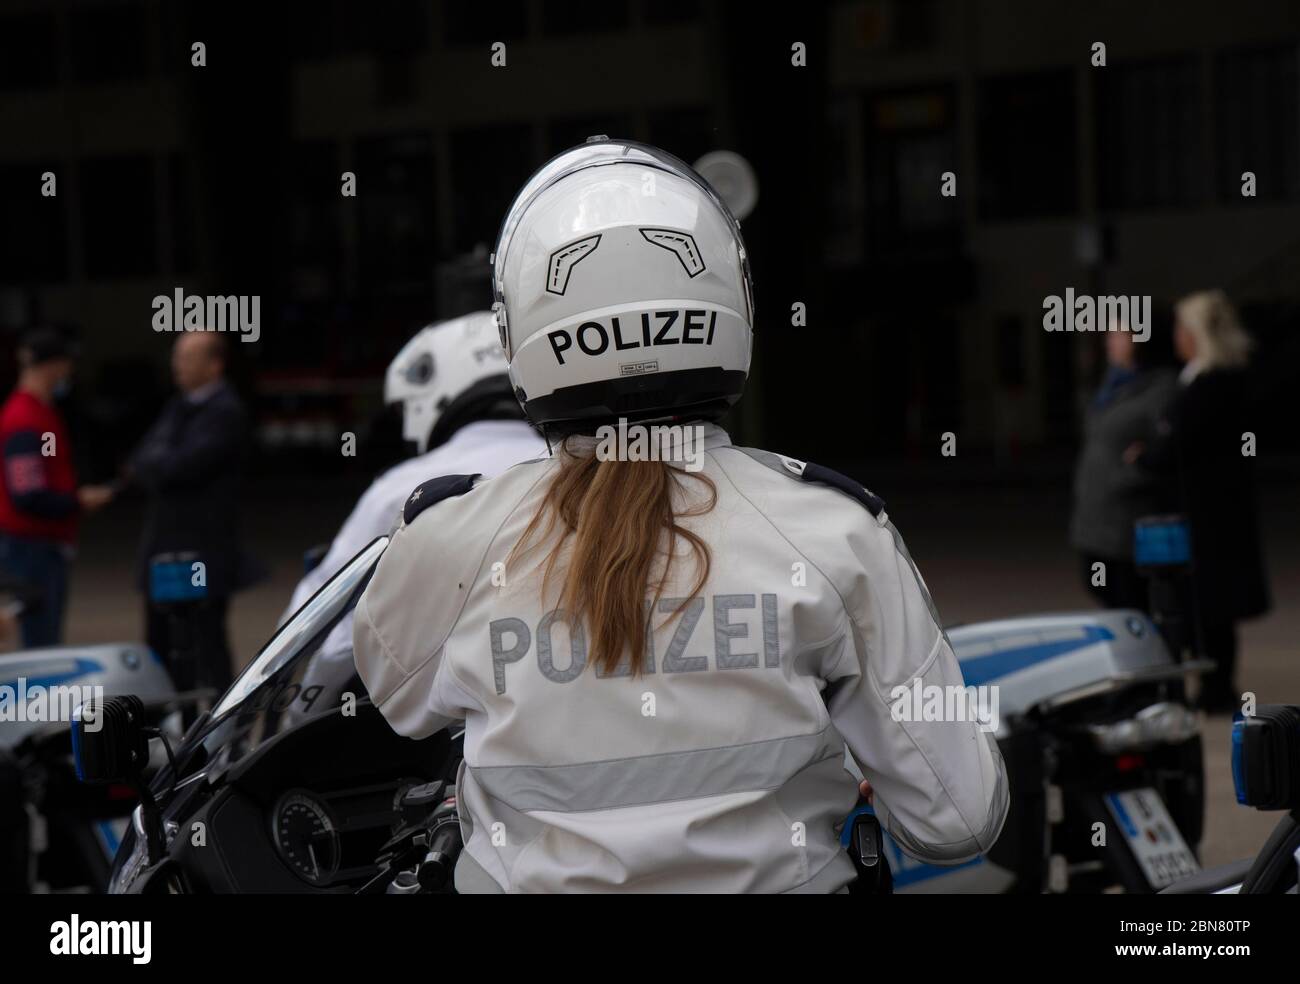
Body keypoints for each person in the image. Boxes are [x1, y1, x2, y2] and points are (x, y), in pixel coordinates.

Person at [353, 139, 1007, 893]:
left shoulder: (449, 541)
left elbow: (395, 702)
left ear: (517, 329)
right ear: (733, 304)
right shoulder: (836, 533)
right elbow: (958, 820)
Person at [282, 311, 546, 709]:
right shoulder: (585, 470)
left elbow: (329, 635)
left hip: (433, 730)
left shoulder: (398, 490)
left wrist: (299, 713)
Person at [1131, 290, 1270, 714]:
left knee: (1210, 605)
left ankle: (1216, 688)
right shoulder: (1213, 379)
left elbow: (1178, 442)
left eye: (1182, 328)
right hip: (1214, 511)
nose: (1176, 336)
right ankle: (1213, 685)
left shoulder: (1211, 385)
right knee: (1210, 605)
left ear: (1197, 334)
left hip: (1209, 513)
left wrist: (1148, 454)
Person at [123, 330, 250, 696]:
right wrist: (156, 464)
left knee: (204, 637)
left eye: (187, 358)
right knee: (163, 638)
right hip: (166, 549)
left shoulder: (225, 412)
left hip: (201, 552)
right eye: (176, 357)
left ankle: (221, 720)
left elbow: (179, 466)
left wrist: (157, 465)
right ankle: (172, 714)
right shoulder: (179, 406)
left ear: (215, 365)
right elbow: (142, 459)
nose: (177, 365)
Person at [0, 329, 112, 647]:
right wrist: (77, 501)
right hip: (32, 547)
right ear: (55, 365)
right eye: (67, 364)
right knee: (41, 646)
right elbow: (28, 494)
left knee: (45, 638)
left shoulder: (43, 414)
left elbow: (47, 467)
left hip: (46, 544)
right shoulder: (24, 418)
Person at [1069, 315, 1178, 609]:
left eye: (1119, 335)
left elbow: (1168, 447)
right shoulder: (1112, 384)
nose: (1110, 342)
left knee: (1130, 598)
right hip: (1096, 515)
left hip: (1128, 517)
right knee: (1100, 587)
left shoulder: (1162, 388)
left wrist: (1135, 469)